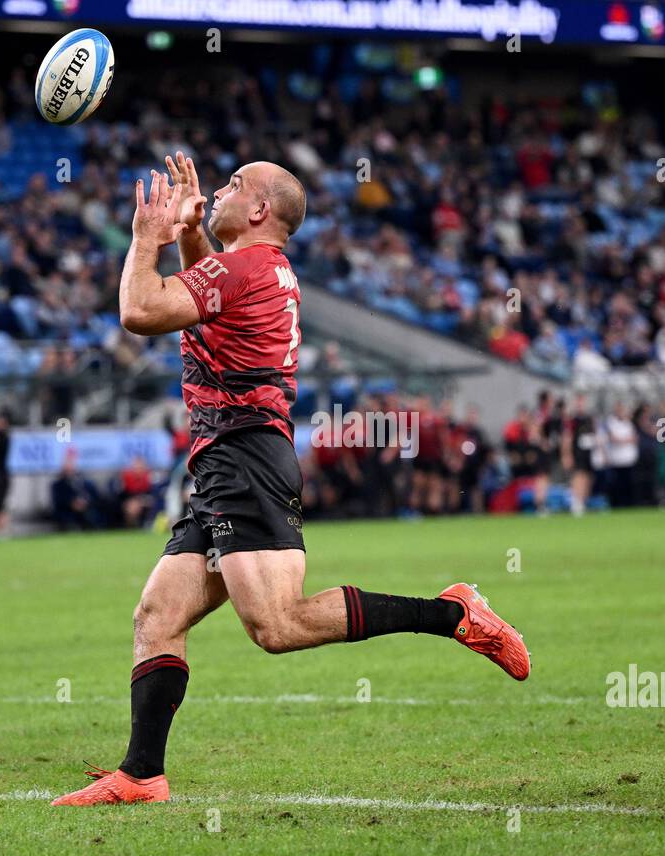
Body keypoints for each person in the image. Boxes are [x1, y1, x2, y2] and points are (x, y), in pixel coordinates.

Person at [52, 153, 529, 807]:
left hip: (244, 460)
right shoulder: (255, 268)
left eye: (232, 185)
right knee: (158, 615)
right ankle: (141, 775)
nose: (217, 190)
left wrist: (146, 237)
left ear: (258, 210)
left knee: (275, 625)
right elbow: (203, 300)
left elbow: (140, 311)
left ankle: (454, 614)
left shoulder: (248, 266)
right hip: (223, 462)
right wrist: (190, 233)